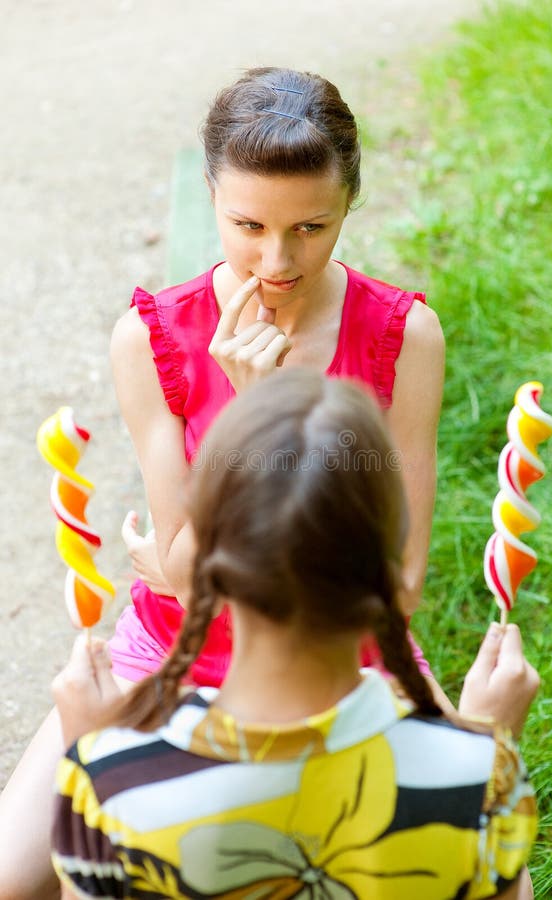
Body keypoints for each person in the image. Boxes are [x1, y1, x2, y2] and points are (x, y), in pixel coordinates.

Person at [0, 66, 445, 898]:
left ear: (349, 201)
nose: (277, 260)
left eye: (312, 227)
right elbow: (188, 572)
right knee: (14, 876)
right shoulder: (152, 339)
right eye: (247, 225)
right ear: (209, 195)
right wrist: (209, 537)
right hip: (175, 649)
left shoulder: (403, 337)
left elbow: (399, 587)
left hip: (339, 656)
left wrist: (266, 412)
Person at [51, 370, 539, 900]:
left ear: (207, 563)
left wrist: (89, 758)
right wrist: (491, 742)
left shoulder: (119, 782)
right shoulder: (473, 773)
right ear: (391, 562)